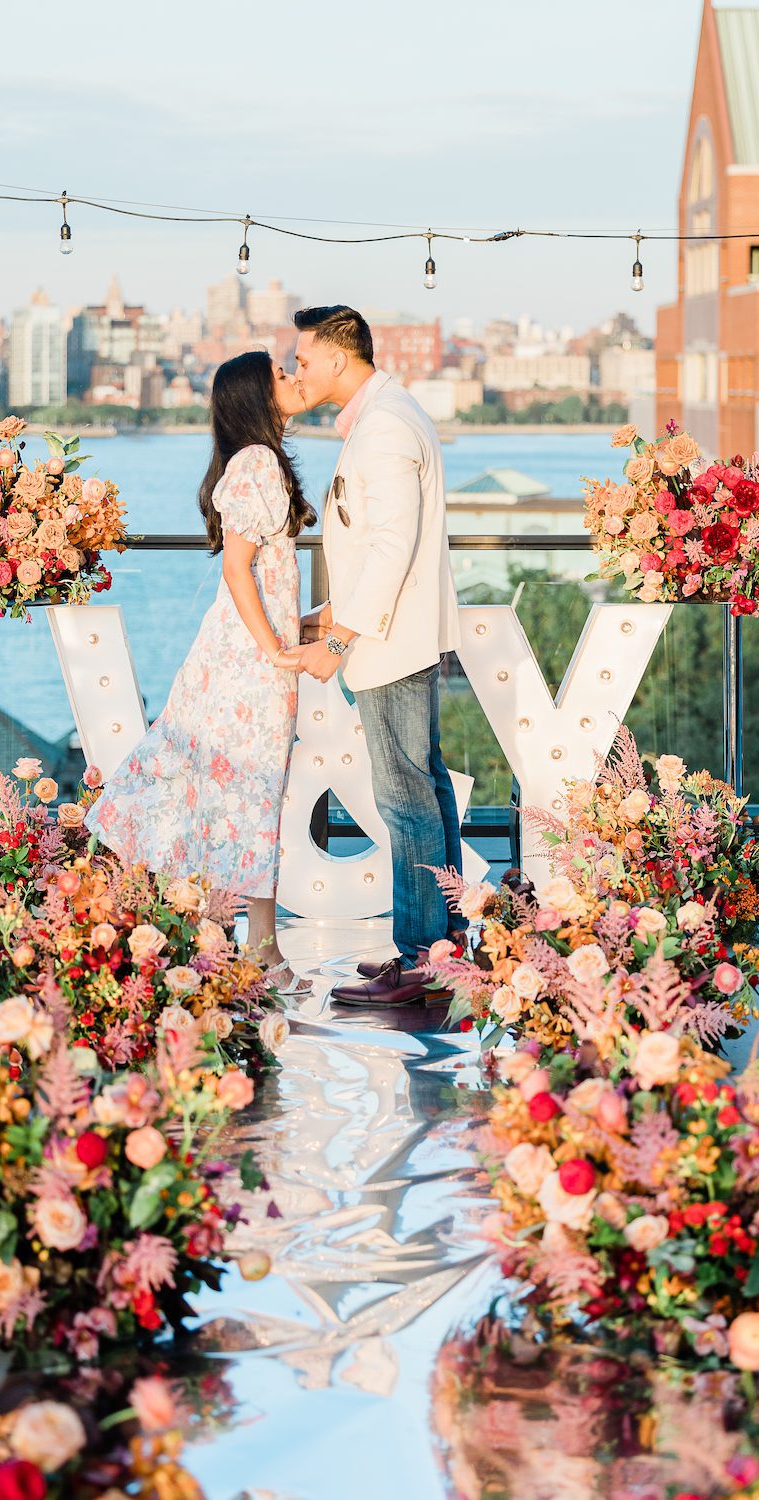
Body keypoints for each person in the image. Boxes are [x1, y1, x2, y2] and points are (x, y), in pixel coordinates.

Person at [85, 350, 315, 995]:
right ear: (256, 398)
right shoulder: (257, 464)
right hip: (246, 662)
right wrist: (274, 648)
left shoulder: (252, 462)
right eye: (281, 376)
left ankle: (225, 933)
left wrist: (294, 629)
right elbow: (238, 570)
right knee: (250, 789)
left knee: (225, 786)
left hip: (239, 654)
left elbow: (260, 575)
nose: (294, 380)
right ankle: (260, 948)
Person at [289, 305, 467, 1007]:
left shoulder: (386, 425)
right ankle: (447, 946)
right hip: (392, 632)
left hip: (390, 641)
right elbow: (376, 544)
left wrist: (338, 638)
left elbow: (393, 546)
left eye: (303, 359)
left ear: (338, 357)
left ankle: (422, 960)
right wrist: (328, 616)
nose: (298, 371)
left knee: (404, 798)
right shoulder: (382, 416)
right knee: (426, 786)